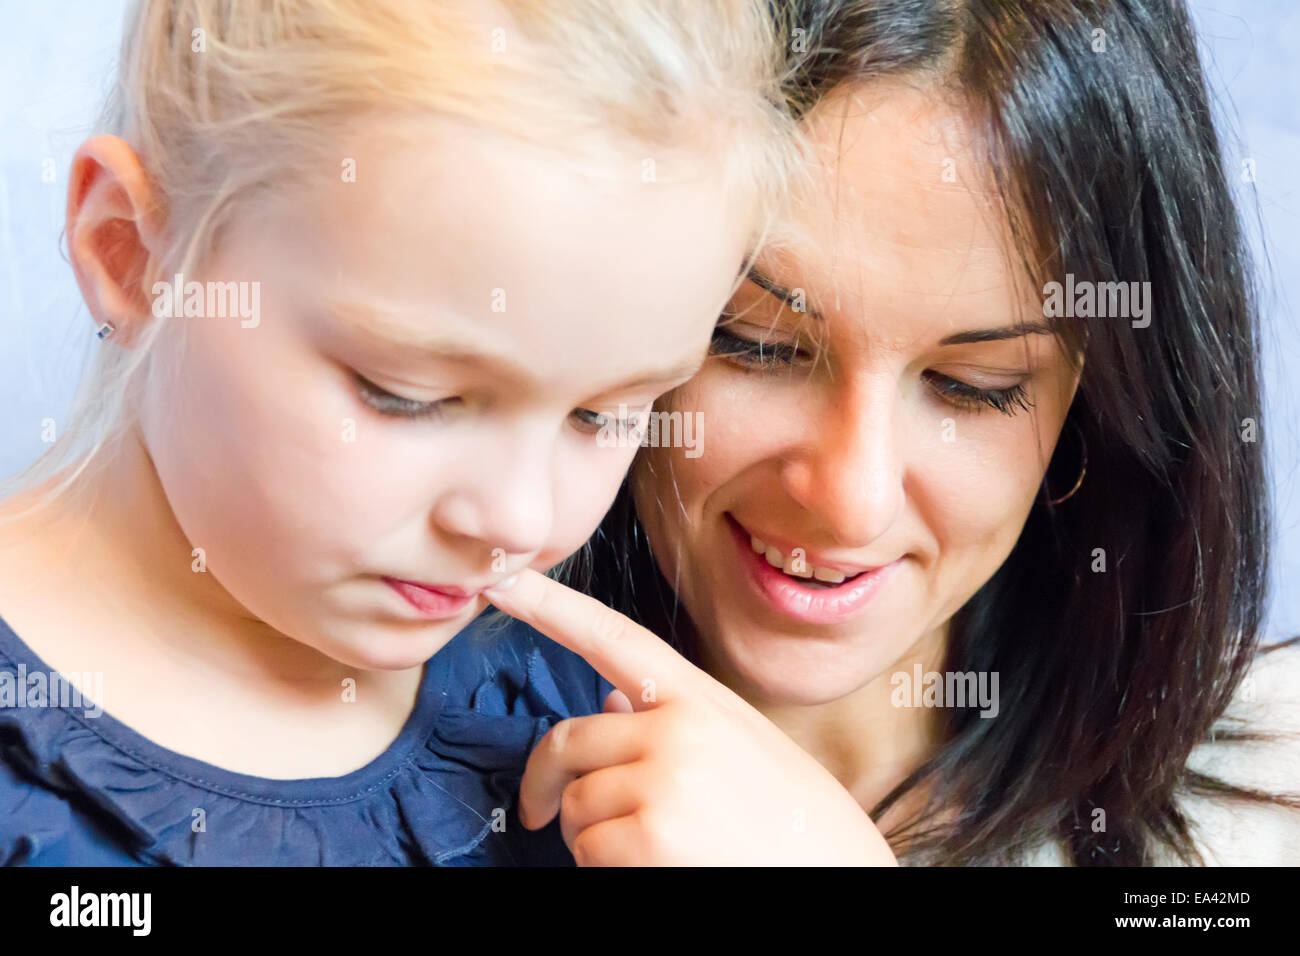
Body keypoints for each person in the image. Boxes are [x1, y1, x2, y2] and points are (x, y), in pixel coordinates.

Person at [487, 0, 1300, 866]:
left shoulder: (1276, 789)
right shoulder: (408, 785)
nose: (850, 500)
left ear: (1093, 407)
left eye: (972, 389)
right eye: (756, 344)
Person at [0, 0, 796, 865]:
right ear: (131, 252)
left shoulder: (607, 733)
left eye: (601, 415)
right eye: (407, 395)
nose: (519, 523)